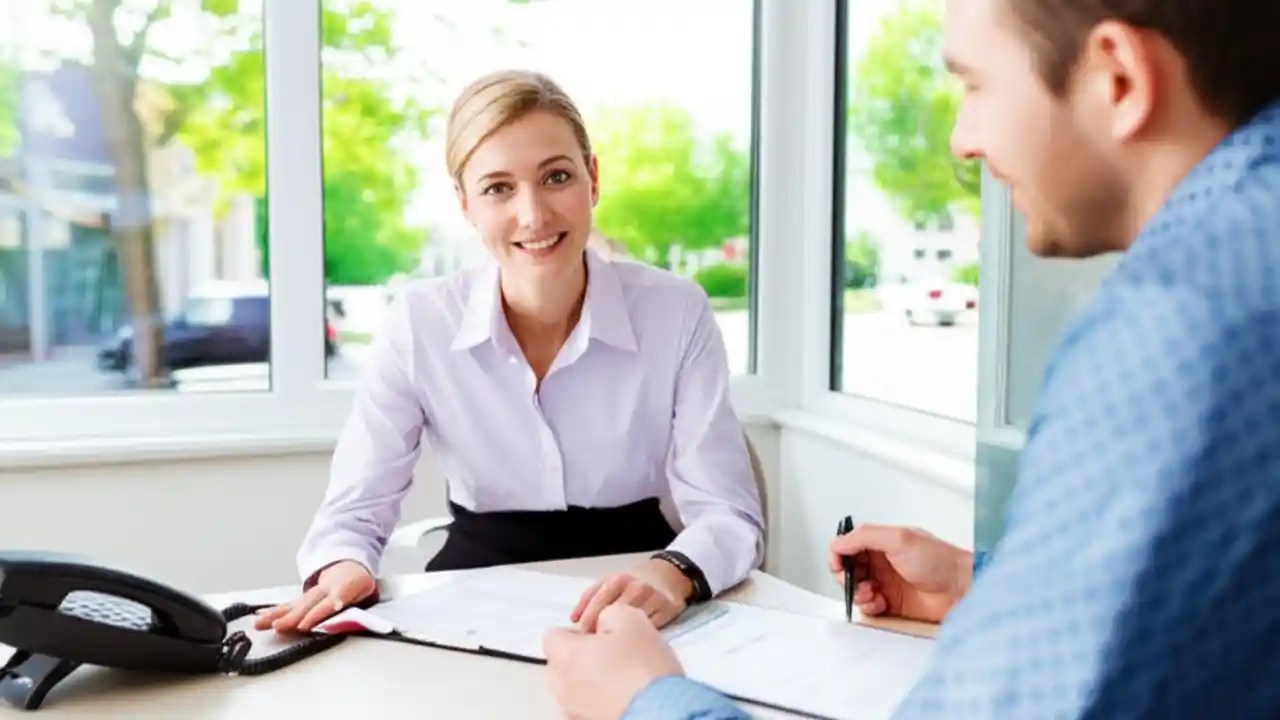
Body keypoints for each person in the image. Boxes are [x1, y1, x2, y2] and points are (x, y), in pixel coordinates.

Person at [543, 0, 1280, 717]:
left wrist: (642, 701)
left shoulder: (1180, 326)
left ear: (1116, 79)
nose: (962, 139)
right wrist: (982, 582)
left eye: (976, 85)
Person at [255, 69, 764, 636]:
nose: (534, 215)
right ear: (465, 203)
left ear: (593, 180)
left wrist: (673, 573)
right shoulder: (420, 323)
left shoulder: (675, 311)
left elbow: (728, 513)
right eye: (498, 188)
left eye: (556, 177)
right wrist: (343, 567)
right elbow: (353, 511)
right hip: (475, 592)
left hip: (639, 587)